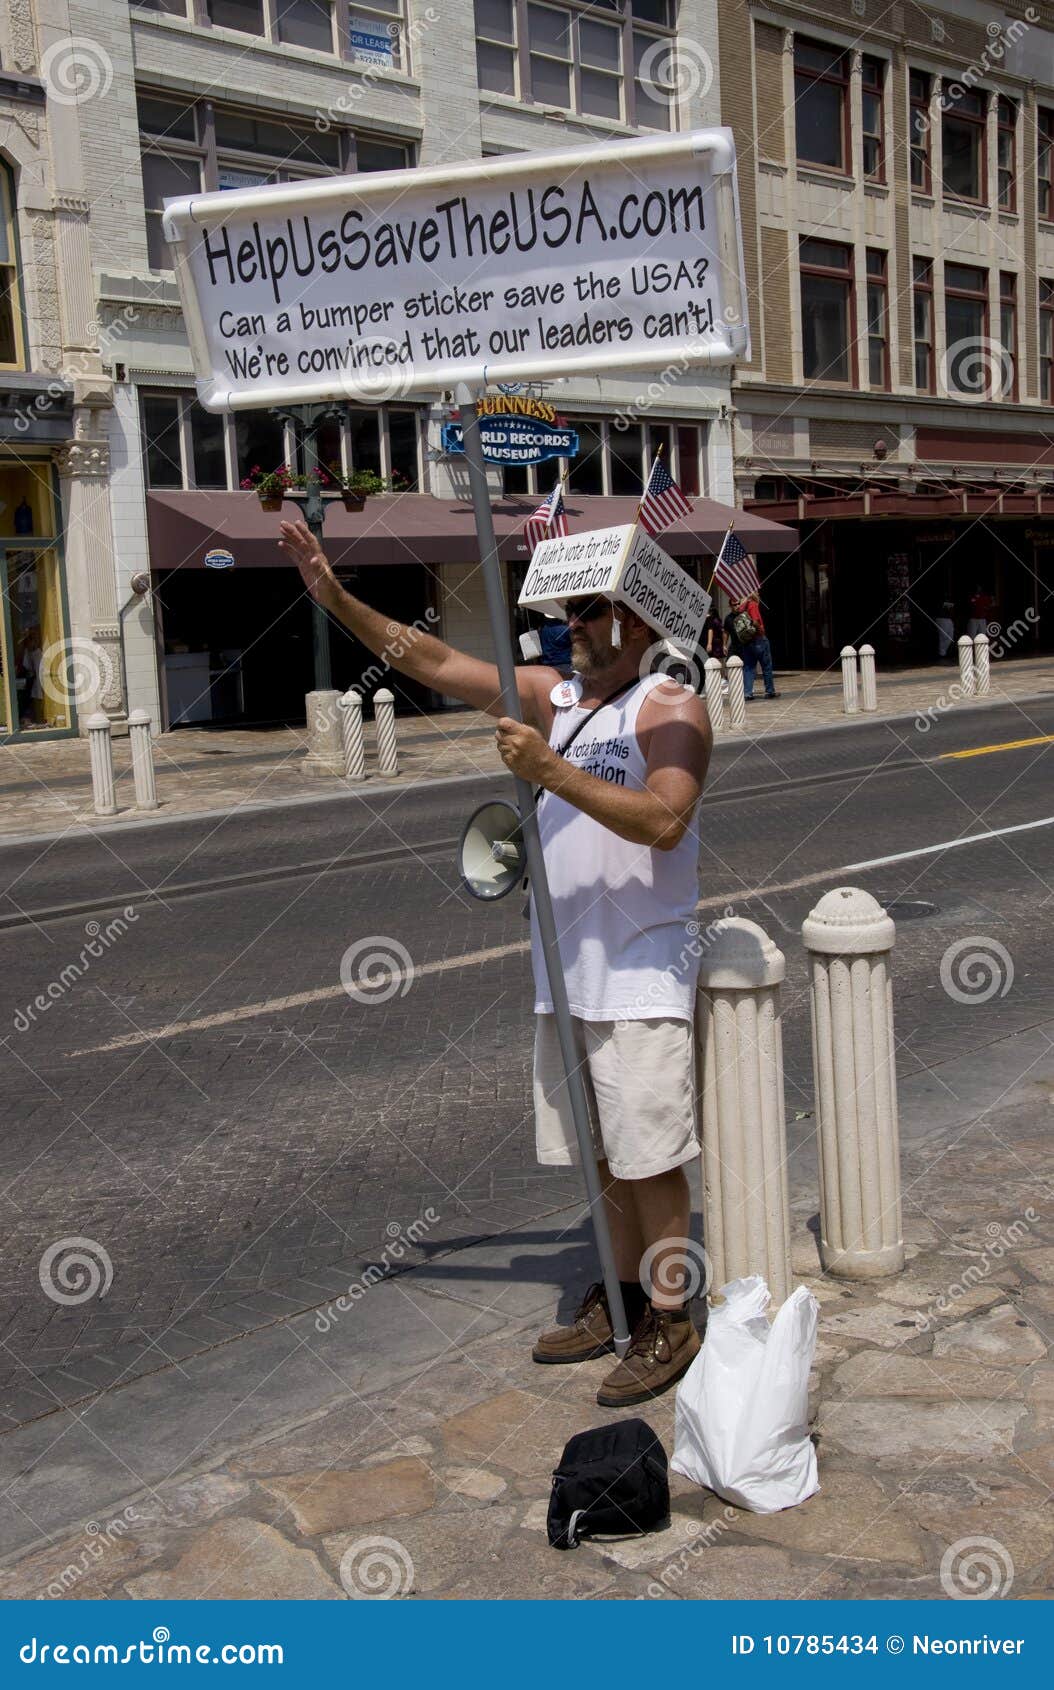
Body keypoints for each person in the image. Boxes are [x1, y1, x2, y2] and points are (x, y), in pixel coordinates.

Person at [279, 518, 712, 1406]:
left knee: (650, 1153)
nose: (568, 629)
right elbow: (433, 662)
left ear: (633, 620)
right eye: (562, 616)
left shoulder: (668, 703)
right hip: (565, 969)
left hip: (636, 967)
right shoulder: (554, 696)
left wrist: (549, 773)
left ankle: (673, 1315)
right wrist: (336, 599)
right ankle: (623, 1297)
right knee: (600, 1153)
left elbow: (664, 820)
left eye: (584, 613)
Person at [723, 593, 779, 700]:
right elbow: (755, 621)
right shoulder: (752, 605)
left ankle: (747, 693)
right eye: (757, 592)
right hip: (758, 639)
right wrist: (760, 631)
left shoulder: (741, 608)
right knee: (766, 666)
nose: (758, 593)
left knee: (748, 668)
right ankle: (769, 691)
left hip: (747, 642)